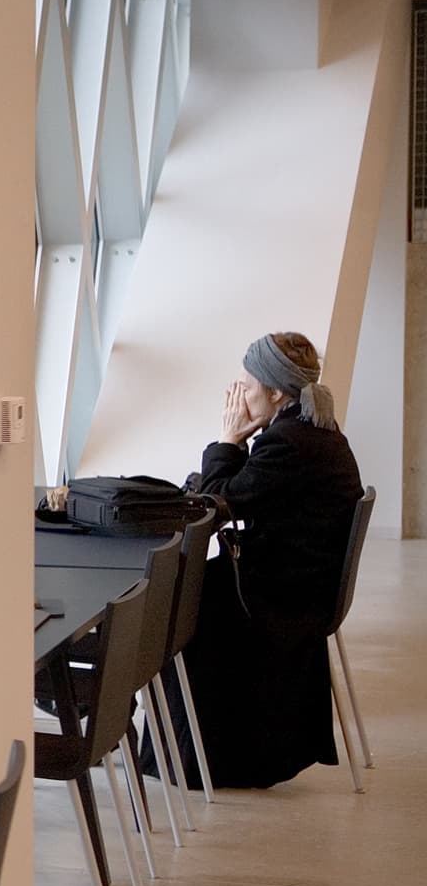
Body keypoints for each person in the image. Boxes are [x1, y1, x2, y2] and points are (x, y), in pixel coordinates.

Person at [160, 331, 362, 789]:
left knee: (180, 599)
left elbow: (219, 504)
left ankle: (186, 756)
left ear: (275, 391)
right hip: (298, 587)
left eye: (246, 387)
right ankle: (172, 745)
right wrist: (233, 453)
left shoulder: (288, 442)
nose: (239, 395)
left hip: (281, 598)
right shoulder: (311, 431)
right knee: (194, 589)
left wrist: (228, 439)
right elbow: (237, 494)